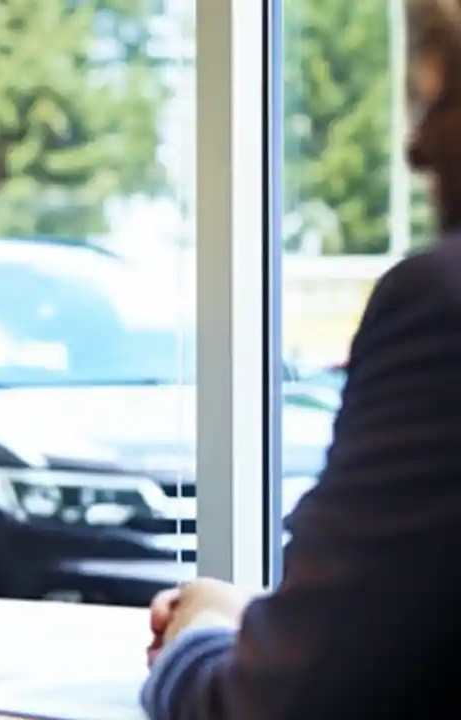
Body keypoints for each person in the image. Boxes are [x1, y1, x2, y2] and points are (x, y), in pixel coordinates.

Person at [143, 1, 461, 717]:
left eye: (436, 97)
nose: (413, 149)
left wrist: (201, 632)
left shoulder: (441, 306)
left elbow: (268, 704)